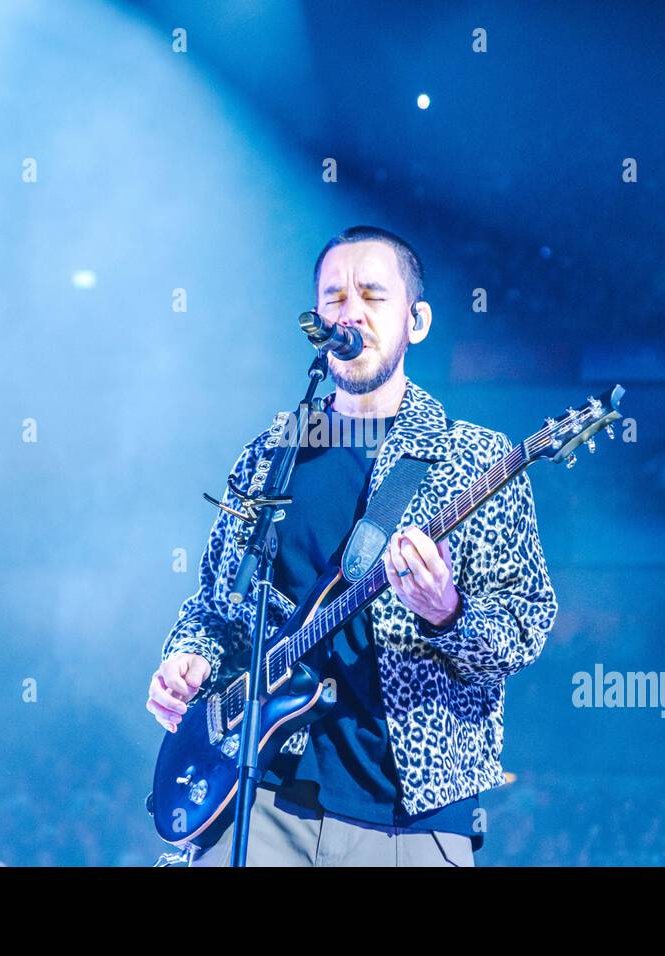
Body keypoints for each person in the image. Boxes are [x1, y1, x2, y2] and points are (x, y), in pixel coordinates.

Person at [148, 225, 557, 866]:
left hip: (411, 814)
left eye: (372, 295)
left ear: (415, 321)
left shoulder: (476, 460)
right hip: (263, 796)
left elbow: (525, 626)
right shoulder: (272, 456)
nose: (350, 313)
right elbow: (216, 605)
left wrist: (447, 612)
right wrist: (187, 659)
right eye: (334, 297)